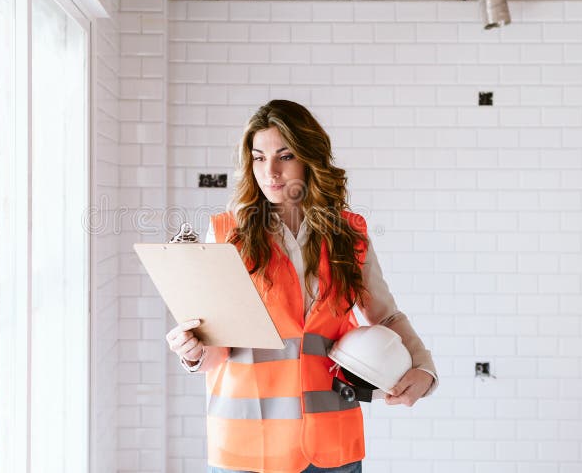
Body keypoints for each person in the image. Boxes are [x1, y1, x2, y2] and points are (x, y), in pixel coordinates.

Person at [166, 100, 438, 473]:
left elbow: (385, 314)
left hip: (332, 445)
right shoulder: (227, 235)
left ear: (310, 157)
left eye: (285, 155)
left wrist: (424, 368)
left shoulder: (348, 234)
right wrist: (192, 352)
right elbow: (217, 347)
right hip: (248, 448)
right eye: (259, 158)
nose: (271, 172)